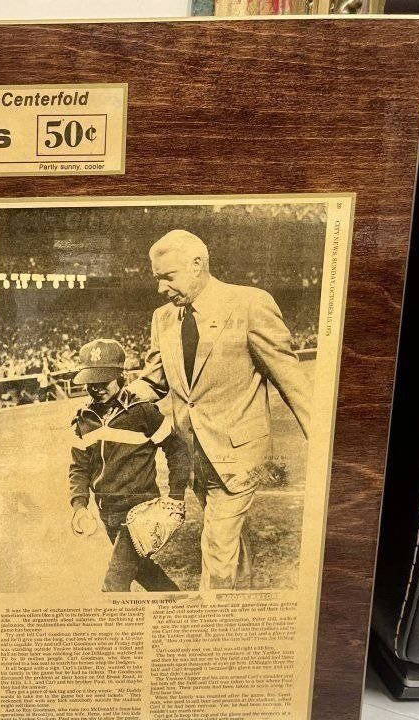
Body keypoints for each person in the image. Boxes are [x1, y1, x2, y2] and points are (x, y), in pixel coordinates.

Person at [126, 229, 311, 589]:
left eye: (168, 277)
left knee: (217, 542)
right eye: (157, 278)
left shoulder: (250, 303)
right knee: (224, 535)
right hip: (192, 454)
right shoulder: (162, 317)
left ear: (198, 265)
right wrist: (118, 397)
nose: (161, 288)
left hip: (242, 453)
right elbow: (154, 380)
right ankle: (241, 609)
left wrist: (325, 445)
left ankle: (209, 624)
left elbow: (292, 382)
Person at [69, 339, 191, 592]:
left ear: (121, 376)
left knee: (114, 585)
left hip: (140, 511)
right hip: (108, 511)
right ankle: (180, 605)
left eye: (104, 382)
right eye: (92, 383)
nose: (97, 389)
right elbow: (79, 468)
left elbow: (177, 448)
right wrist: (79, 506)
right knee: (143, 571)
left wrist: (176, 496)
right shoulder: (83, 420)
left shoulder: (142, 411)